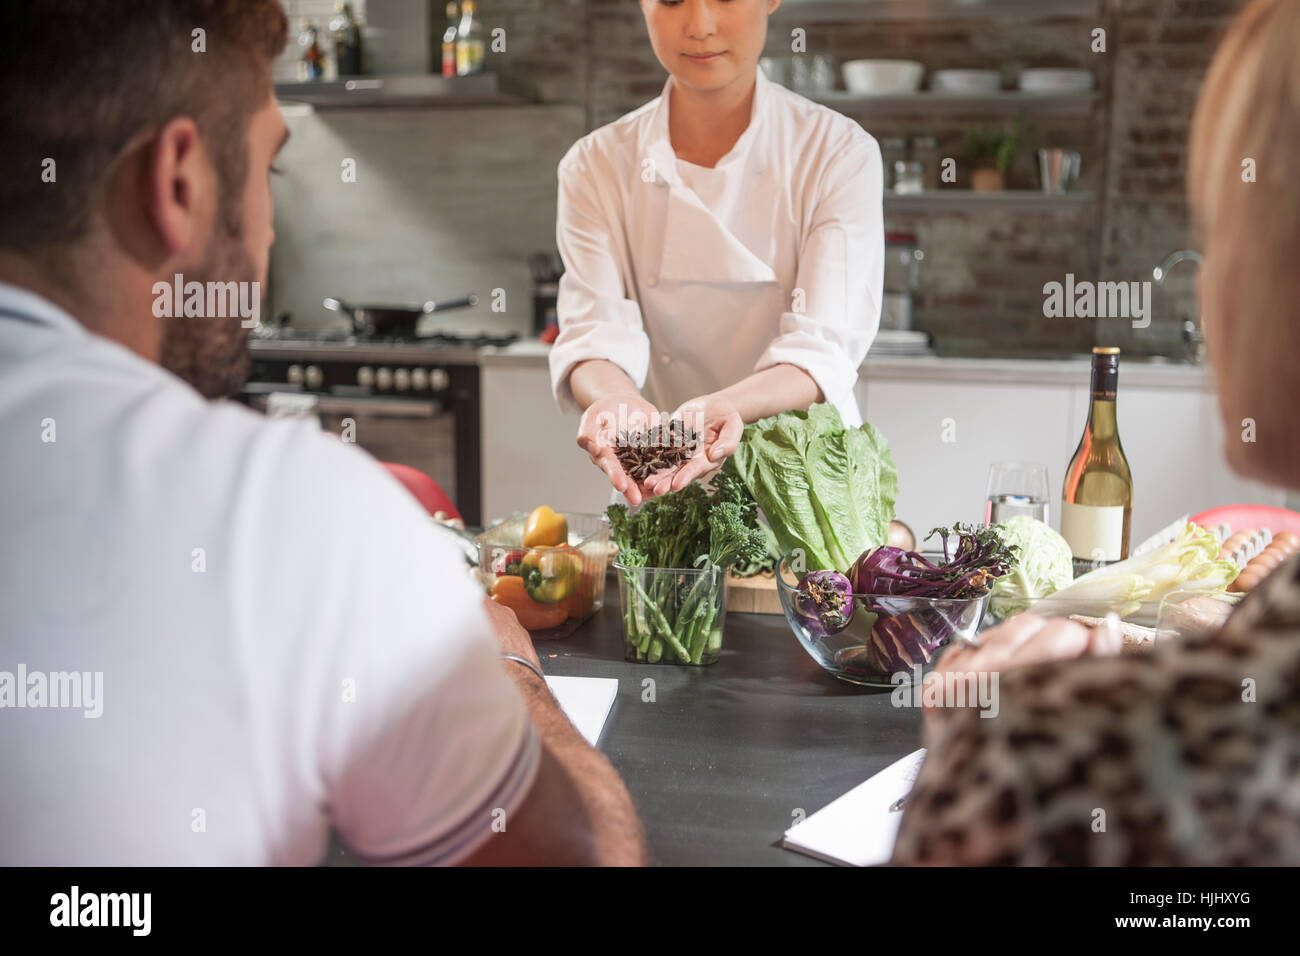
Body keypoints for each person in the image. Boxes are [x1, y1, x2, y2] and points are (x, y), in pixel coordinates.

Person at [0, 1, 644, 867]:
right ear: (179, 184)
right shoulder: (287, 511)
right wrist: (511, 670)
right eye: (268, 169)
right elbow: (587, 857)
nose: (268, 228)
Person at [891, 0, 1300, 866]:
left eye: (1222, 232)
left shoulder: (1042, 765)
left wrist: (990, 742)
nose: (1200, 289)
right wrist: (1105, 639)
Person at [549, 0, 883, 505]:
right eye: (671, 0)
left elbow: (821, 346)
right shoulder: (595, 165)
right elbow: (595, 334)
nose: (699, 26)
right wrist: (617, 400)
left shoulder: (837, 152)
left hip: (811, 485)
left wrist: (726, 405)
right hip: (666, 477)